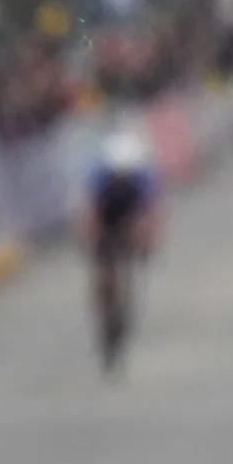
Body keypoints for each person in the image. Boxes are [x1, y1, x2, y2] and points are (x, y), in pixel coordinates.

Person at [84, 119, 162, 372]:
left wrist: (147, 240)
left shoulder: (145, 176)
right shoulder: (99, 174)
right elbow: (89, 214)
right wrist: (92, 241)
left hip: (129, 214)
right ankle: (106, 309)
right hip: (107, 216)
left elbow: (152, 214)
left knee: (128, 255)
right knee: (104, 276)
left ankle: (122, 315)